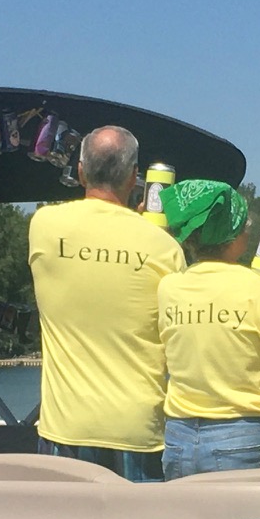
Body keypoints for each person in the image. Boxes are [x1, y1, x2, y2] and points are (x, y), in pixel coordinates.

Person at [27, 125, 185, 481]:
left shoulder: (45, 226)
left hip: (66, 428)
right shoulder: (163, 247)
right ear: (134, 178)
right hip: (139, 431)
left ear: (81, 171)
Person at [157, 180, 260, 478]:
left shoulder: (169, 288)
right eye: (243, 228)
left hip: (179, 437)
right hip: (244, 436)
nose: (248, 234)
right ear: (232, 236)